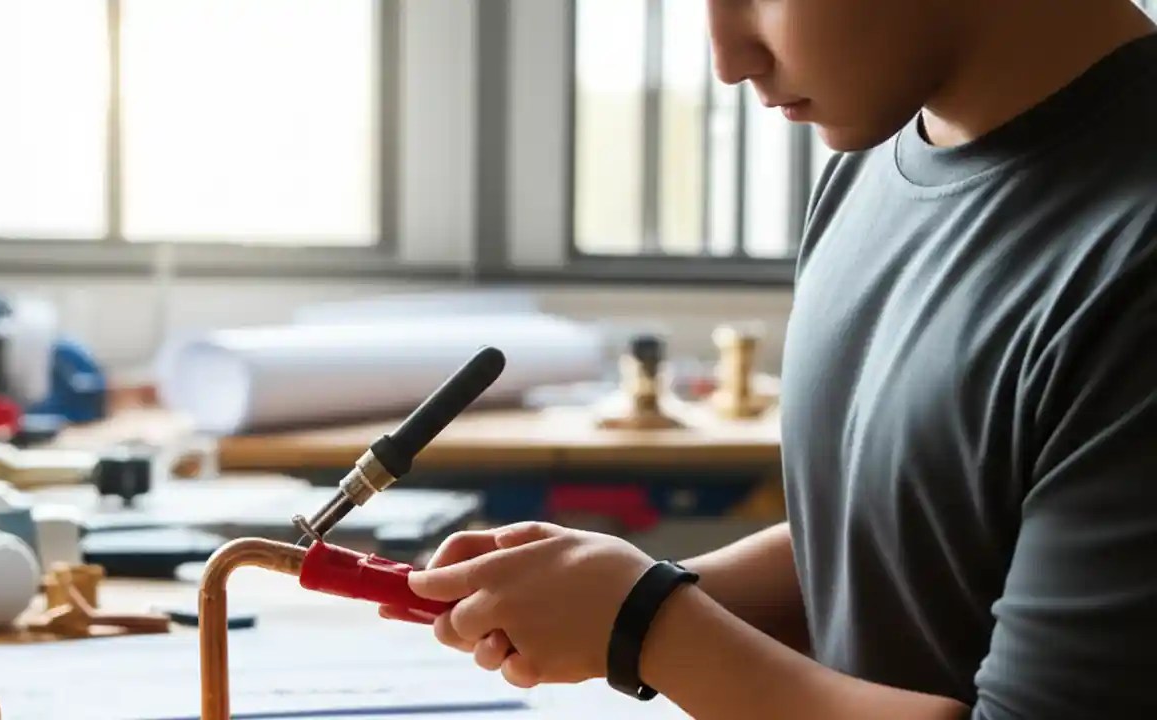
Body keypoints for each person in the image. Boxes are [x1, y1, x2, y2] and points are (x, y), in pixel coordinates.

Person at [380, 0, 1157, 717]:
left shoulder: (1133, 259)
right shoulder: (870, 164)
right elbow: (899, 532)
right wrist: (616, 592)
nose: (727, 56)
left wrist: (648, 626)